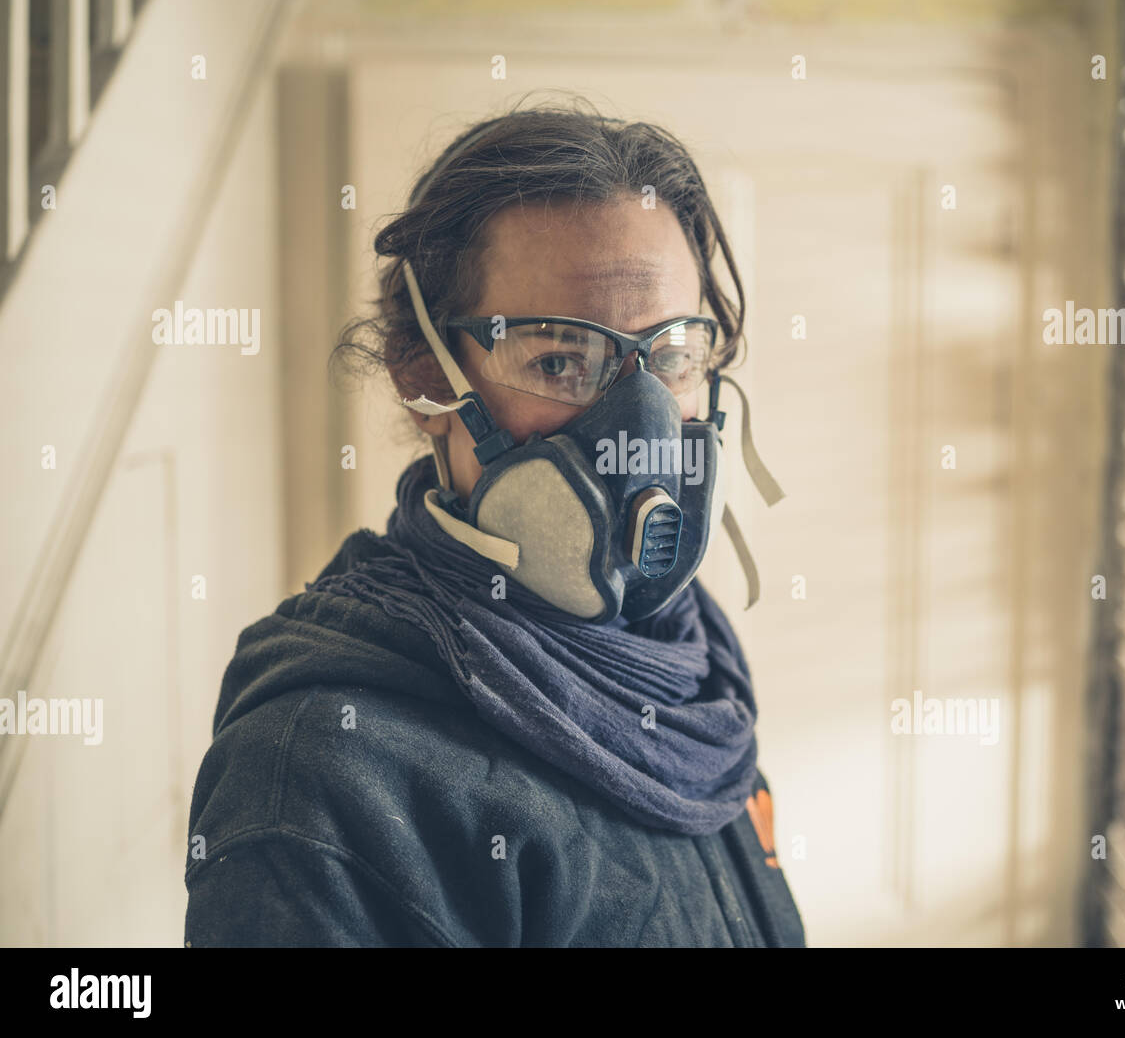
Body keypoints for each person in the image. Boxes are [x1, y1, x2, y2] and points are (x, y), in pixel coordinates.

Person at [183, 102, 805, 947]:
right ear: (424, 377)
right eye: (559, 360)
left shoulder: (694, 677)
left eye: (672, 356)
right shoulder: (325, 777)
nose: (640, 429)